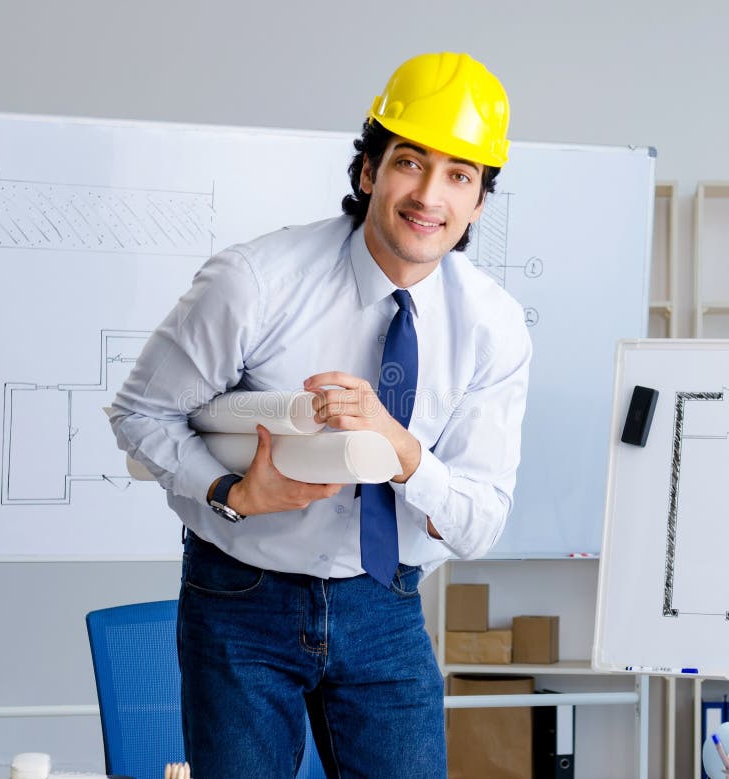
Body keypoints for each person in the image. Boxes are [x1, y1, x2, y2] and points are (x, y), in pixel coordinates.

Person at [110, 51, 531, 779]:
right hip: (242, 595)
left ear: (478, 204)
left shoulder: (493, 327)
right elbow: (141, 413)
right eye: (409, 162)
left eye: (460, 175)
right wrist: (229, 493)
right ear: (368, 169)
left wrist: (401, 450)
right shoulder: (254, 284)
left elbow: (479, 522)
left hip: (386, 604)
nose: (430, 194)